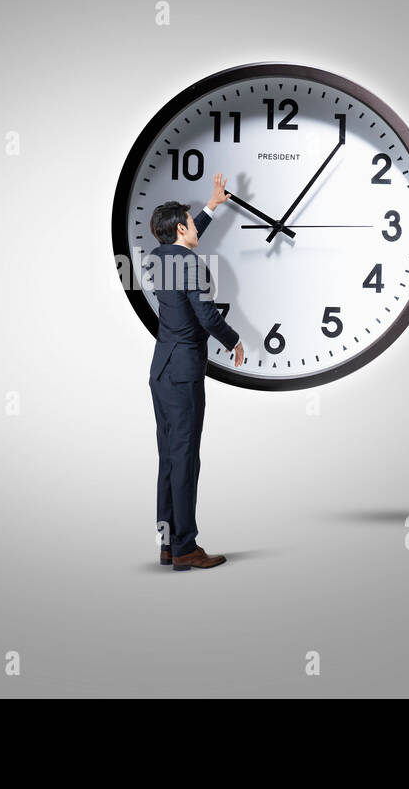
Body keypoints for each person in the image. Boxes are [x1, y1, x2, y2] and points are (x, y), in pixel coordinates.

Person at [145, 173, 245, 571]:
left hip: (161, 370)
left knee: (169, 458)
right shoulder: (190, 263)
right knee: (186, 459)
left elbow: (179, 243)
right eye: (189, 220)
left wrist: (210, 208)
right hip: (185, 372)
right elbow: (205, 315)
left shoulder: (157, 258)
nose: (193, 226)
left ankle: (168, 543)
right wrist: (233, 339)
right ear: (181, 229)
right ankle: (186, 547)